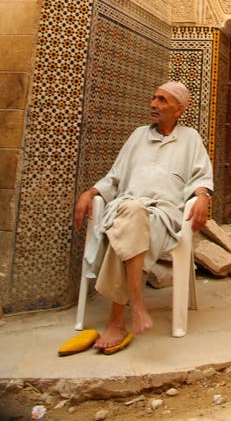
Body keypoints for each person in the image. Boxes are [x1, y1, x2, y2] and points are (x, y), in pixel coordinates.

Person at [74, 81, 213, 351]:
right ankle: (135, 301)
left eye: (162, 100)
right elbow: (114, 177)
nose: (153, 104)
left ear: (179, 109)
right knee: (131, 214)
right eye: (154, 98)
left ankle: (117, 319)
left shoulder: (190, 139)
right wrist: (90, 192)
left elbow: (202, 176)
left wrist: (204, 196)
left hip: (162, 217)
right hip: (126, 207)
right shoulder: (138, 135)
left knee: (129, 223)